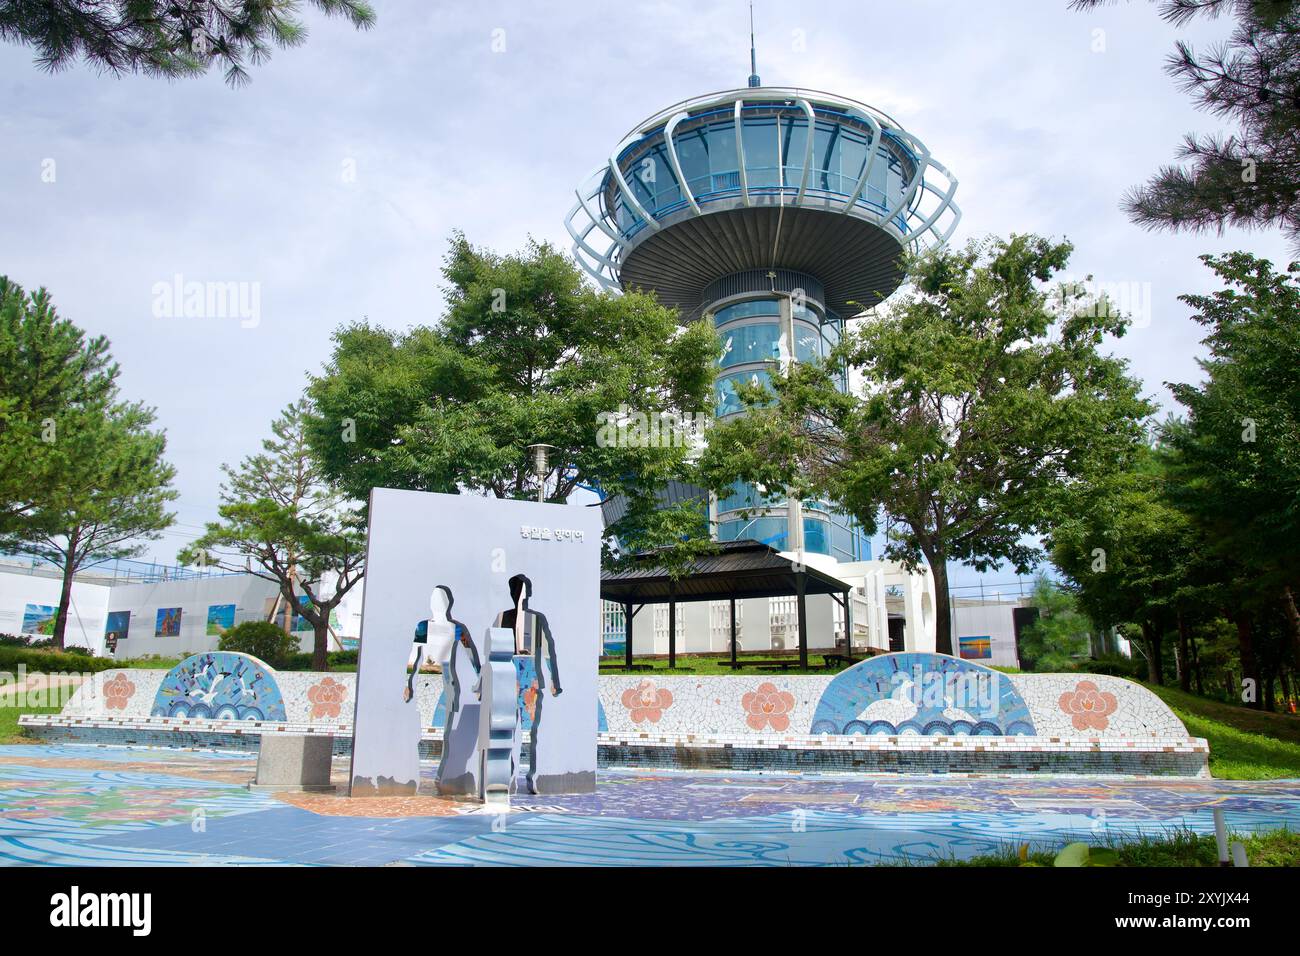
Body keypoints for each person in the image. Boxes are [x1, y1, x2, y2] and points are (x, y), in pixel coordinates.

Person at [493, 573, 560, 794]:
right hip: (508, 674)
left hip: (530, 676)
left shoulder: (536, 618)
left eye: (525, 591)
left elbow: (549, 650)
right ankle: (509, 776)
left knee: (532, 730)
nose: (524, 595)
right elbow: (492, 650)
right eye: (520, 590)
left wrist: (553, 678)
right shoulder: (502, 617)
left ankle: (532, 776)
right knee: (508, 728)